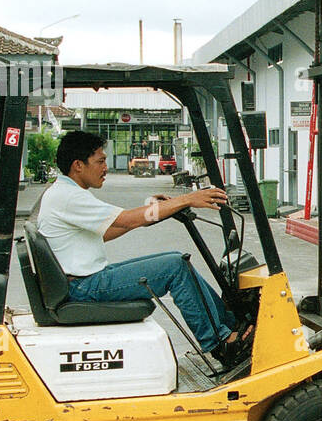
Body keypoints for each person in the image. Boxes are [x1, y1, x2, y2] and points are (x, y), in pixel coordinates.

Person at [35, 130, 245, 368]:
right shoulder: (69, 196)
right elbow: (126, 219)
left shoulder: (65, 193)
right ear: (78, 165)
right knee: (174, 266)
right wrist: (185, 200)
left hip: (83, 281)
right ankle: (221, 342)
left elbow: (109, 230)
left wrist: (154, 212)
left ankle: (232, 328)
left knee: (177, 261)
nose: (105, 167)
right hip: (84, 286)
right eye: (100, 161)